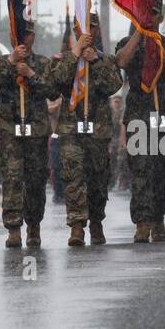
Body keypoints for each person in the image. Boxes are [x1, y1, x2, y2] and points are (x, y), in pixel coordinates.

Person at [115, 0, 165, 242]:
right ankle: (143, 222)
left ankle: (158, 217)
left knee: (164, 171)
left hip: (164, 114)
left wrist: (156, 43)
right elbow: (121, 61)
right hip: (138, 116)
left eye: (152, 15)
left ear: (160, 18)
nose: (148, 18)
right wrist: (140, 33)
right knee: (141, 170)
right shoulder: (127, 43)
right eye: (144, 14)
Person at [48, 13, 120, 246]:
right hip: (71, 129)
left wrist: (95, 62)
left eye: (93, 28)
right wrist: (77, 54)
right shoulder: (64, 59)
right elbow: (56, 82)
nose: (88, 32)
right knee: (73, 177)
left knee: (98, 179)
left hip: (97, 130)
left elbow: (113, 85)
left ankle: (96, 221)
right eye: (82, 29)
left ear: (98, 31)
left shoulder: (105, 59)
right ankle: (77, 226)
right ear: (76, 31)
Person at [0, 28, 58, 248]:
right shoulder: (2, 62)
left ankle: (34, 226)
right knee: (11, 178)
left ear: (33, 36)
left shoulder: (43, 62)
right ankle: (13, 228)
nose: (22, 37)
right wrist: (11, 61)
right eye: (18, 33)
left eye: (27, 33)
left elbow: (52, 91)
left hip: (36, 130)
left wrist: (30, 74)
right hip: (10, 129)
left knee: (36, 180)